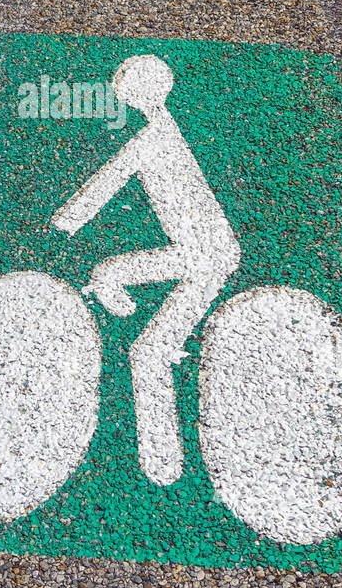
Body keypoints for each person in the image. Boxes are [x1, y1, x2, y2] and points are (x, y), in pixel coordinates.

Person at [52, 55, 240, 485]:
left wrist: (66, 221)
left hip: (203, 251)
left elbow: (111, 177)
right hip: (211, 252)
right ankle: (164, 459)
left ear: (133, 95)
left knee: (110, 274)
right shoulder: (166, 129)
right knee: (149, 350)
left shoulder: (156, 136)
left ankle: (164, 459)